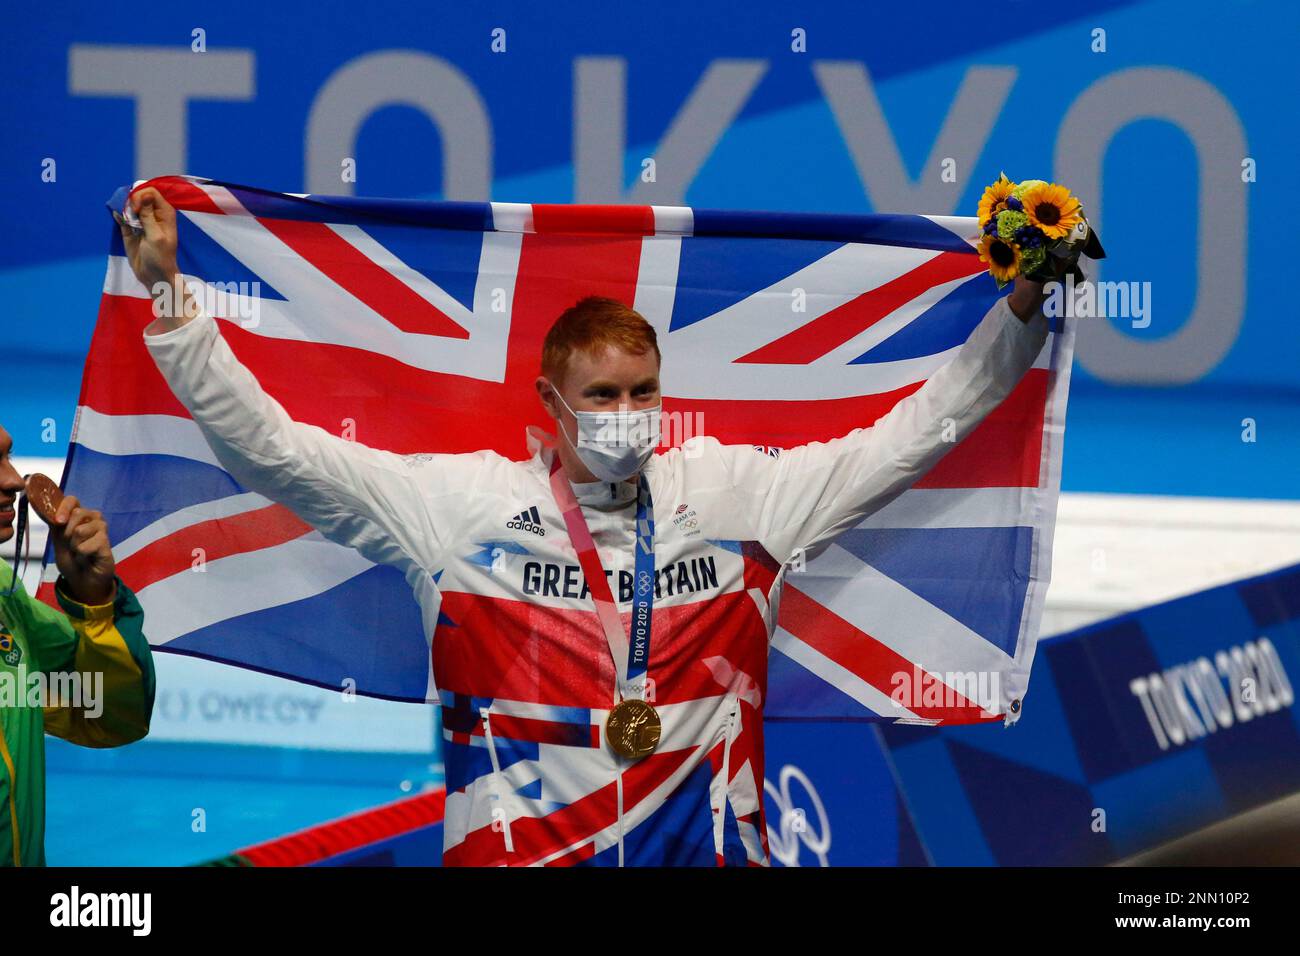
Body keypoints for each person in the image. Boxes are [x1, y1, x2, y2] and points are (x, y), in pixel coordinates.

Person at [120, 185, 1059, 867]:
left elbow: (912, 434)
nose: (626, 411)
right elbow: (271, 452)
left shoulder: (739, 499)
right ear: (548, 401)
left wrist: (1023, 307)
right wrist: (171, 300)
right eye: (601, 394)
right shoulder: (458, 509)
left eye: (643, 392)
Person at [0, 426, 155, 866]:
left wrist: (93, 598)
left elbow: (111, 715)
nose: (13, 481)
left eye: (8, 457)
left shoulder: (6, 601)